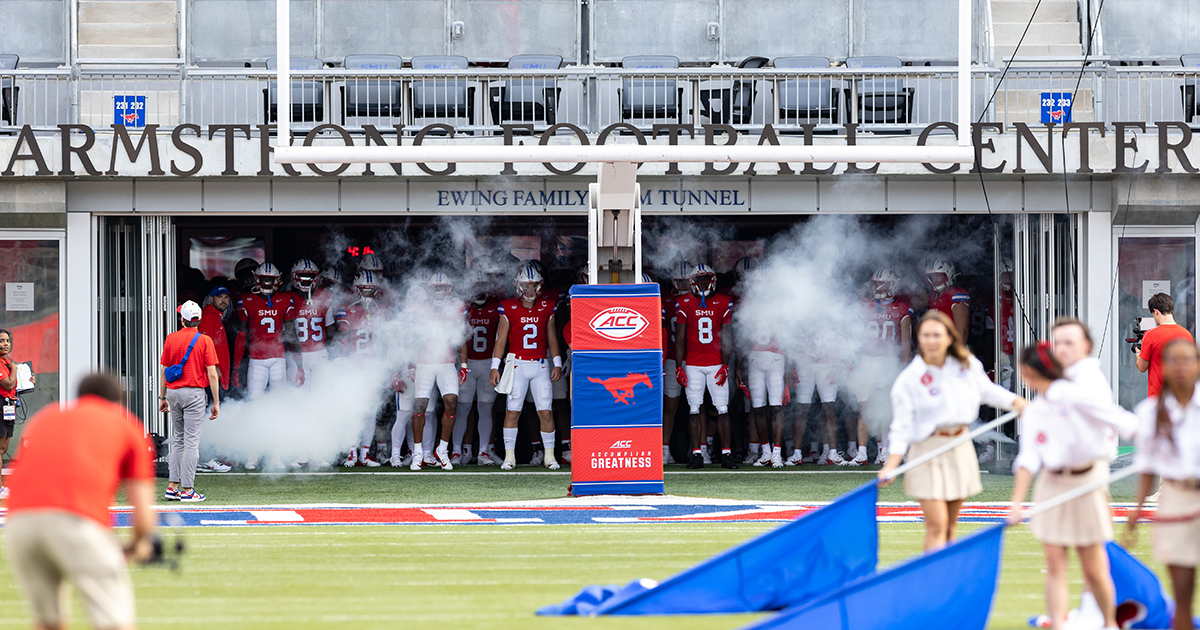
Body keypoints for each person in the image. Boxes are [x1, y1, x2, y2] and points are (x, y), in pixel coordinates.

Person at [5, 373, 157, 630]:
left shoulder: (47, 419)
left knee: (48, 622)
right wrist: (138, 545)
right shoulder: (126, 425)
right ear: (116, 402)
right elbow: (142, 513)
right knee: (114, 623)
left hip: (19, 523)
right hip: (76, 519)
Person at [1007, 342, 1138, 630]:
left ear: (1028, 372)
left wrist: (1153, 433)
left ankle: (1108, 624)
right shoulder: (1036, 410)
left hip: (1086, 482)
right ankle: (1057, 624)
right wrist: (1016, 503)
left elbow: (1119, 419)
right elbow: (1028, 458)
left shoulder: (1077, 395)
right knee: (1055, 563)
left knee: (1093, 565)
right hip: (1052, 484)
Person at [879, 311, 1026, 551]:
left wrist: (1017, 402)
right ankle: (933, 582)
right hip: (926, 449)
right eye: (926, 335)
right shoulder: (909, 379)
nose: (932, 340)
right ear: (919, 339)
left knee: (950, 527)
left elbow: (988, 392)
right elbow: (901, 425)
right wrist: (892, 463)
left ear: (949, 337)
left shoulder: (966, 364)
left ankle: (946, 579)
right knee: (936, 526)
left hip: (959, 446)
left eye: (937, 335)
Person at [1128, 338, 1200, 630]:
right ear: (1164, 367)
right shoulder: (1150, 412)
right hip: (1174, 498)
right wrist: (1137, 510)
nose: (1181, 366)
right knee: (1182, 589)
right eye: (1174, 361)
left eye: (1188, 360)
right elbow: (1146, 467)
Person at [489, 263, 563, 471]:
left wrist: (556, 362)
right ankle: (509, 457)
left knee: (545, 412)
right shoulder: (508, 307)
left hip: (540, 365)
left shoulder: (547, 306)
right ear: (518, 286)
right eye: (526, 286)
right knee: (512, 411)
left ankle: (549, 456)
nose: (530, 291)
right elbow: (500, 341)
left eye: (533, 286)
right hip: (517, 365)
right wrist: (495, 366)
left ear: (540, 286)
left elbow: (552, 338)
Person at [848, 265, 912, 466]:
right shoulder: (865, 305)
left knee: (885, 407)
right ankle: (862, 453)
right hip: (868, 360)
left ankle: (885, 450)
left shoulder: (902, 307)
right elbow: (855, 337)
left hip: (889, 360)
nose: (877, 287)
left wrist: (905, 367)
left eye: (882, 283)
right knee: (864, 407)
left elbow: (905, 341)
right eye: (875, 283)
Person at [675, 263, 737, 470]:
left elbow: (727, 336)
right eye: (699, 281)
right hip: (693, 364)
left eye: (705, 280)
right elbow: (680, 339)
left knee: (722, 409)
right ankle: (697, 454)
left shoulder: (724, 302)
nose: (702, 285)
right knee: (695, 409)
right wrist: (679, 366)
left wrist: (725, 365)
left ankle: (726, 454)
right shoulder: (683, 303)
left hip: (714, 363)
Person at [160, 300, 220, 502]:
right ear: (199, 320)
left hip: (174, 392)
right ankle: (187, 489)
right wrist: (216, 401)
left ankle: (172, 486)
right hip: (194, 394)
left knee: (178, 441)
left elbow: (164, 371)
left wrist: (162, 397)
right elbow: (212, 374)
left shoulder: (171, 338)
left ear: (183, 320)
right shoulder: (205, 340)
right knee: (191, 443)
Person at [411, 272, 469, 470]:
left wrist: (464, 365)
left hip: (446, 361)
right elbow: (411, 338)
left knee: (451, 403)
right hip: (425, 361)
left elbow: (461, 338)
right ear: (429, 290)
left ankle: (442, 449)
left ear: (449, 289)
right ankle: (418, 452)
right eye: (435, 287)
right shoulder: (419, 309)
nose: (439, 291)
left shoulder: (456, 308)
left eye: (442, 287)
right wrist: (410, 363)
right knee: (420, 405)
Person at [337, 271, 387, 468]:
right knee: (353, 411)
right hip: (354, 366)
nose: (367, 293)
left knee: (370, 413)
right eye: (364, 289)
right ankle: (351, 453)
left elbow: (385, 342)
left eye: (371, 289)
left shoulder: (381, 311)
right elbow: (342, 342)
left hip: (373, 367)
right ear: (357, 290)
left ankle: (365, 454)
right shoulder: (346, 310)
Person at [456, 270, 501, 465]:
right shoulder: (463, 308)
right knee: (462, 408)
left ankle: (483, 451)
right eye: (475, 286)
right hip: (468, 363)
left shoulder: (497, 308)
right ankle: (458, 451)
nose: (479, 291)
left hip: (487, 364)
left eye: (482, 287)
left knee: (485, 408)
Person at [662, 260, 692, 465]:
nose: (682, 286)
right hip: (672, 358)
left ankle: (701, 449)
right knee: (670, 407)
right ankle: (665, 449)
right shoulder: (665, 300)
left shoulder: (699, 300)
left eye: (685, 282)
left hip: (697, 359)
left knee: (699, 406)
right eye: (679, 282)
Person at [1136, 292, 1195, 398]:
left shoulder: (1150, 334)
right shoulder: (1187, 334)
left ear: (1156, 311)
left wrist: (1138, 353)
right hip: (1180, 397)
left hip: (1158, 399)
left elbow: (1142, 367)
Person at [0, 328, 33, 499]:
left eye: (7, 341)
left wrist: (26, 380)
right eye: (1, 341)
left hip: (8, 407)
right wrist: (14, 369)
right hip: (1, 405)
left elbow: (14, 384)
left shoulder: (6, 362)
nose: (5, 344)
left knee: (4, 447)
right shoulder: (4, 364)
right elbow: (7, 384)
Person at [924, 257, 970, 341]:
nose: (934, 280)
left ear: (948, 275)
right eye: (932, 277)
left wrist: (956, 353)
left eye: (938, 276)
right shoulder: (934, 296)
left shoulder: (956, 294)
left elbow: (962, 332)